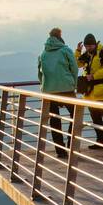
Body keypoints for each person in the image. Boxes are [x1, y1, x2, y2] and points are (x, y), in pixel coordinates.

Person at [36, 26, 77, 159]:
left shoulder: (43, 53)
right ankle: (71, 146)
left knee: (54, 120)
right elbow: (74, 68)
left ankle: (60, 150)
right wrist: (73, 84)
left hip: (49, 91)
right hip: (67, 89)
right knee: (75, 115)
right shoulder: (66, 50)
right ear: (60, 36)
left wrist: (44, 86)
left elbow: (40, 74)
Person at [76, 33, 103, 151]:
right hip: (89, 94)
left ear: (95, 44)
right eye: (86, 46)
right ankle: (100, 141)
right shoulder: (86, 55)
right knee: (96, 119)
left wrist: (94, 76)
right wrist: (78, 51)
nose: (88, 47)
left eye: (90, 45)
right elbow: (77, 64)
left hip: (101, 93)